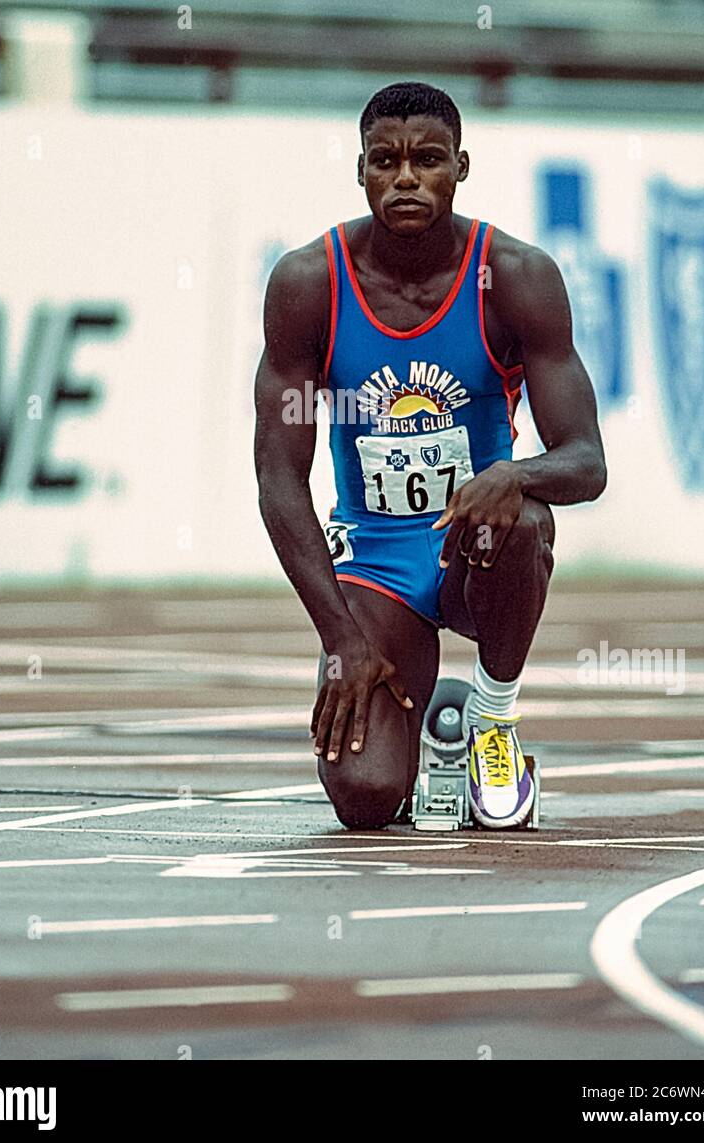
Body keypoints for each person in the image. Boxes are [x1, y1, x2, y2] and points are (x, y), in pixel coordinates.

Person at [254, 82, 606, 831]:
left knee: (520, 520)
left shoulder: (515, 276)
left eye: (428, 160)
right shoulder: (308, 284)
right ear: (361, 170)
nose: (406, 177)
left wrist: (511, 473)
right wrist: (339, 637)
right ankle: (423, 729)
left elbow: (585, 460)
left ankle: (491, 723)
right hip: (375, 563)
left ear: (461, 167)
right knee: (366, 796)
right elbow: (279, 477)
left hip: (473, 548)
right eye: (386, 161)